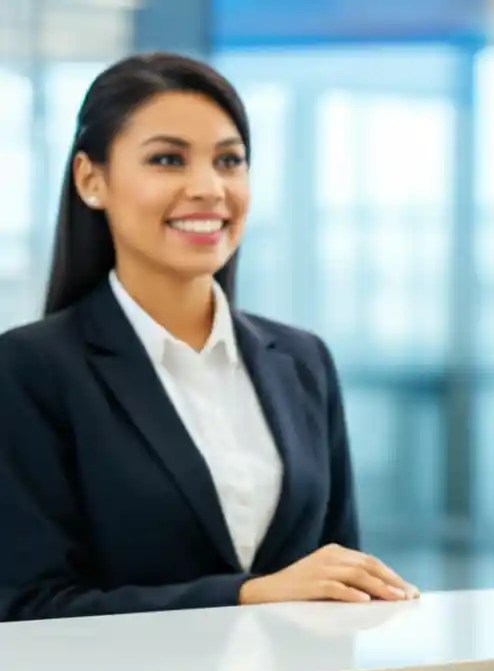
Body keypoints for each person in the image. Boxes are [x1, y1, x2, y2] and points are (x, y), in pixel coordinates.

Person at [0, 53, 419, 622]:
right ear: (91, 180)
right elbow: (26, 607)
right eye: (168, 159)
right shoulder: (29, 369)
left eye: (229, 161)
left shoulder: (301, 361)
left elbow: (336, 574)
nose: (209, 188)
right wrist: (246, 595)